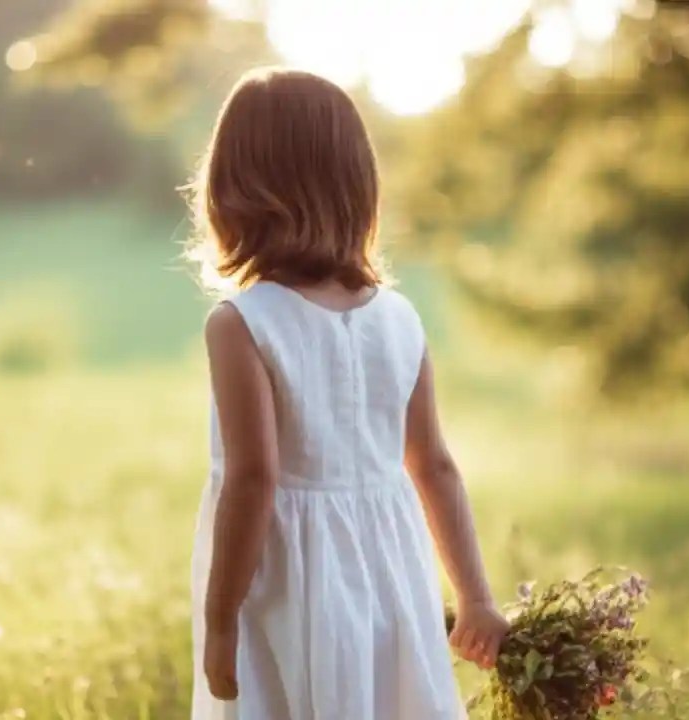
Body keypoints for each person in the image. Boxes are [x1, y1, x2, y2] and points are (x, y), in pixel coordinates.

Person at [187, 67, 509, 720]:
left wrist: (220, 617)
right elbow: (435, 465)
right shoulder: (399, 318)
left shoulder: (242, 322)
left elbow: (253, 478)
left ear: (233, 187)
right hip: (393, 571)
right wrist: (475, 596)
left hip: (290, 583)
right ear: (358, 186)